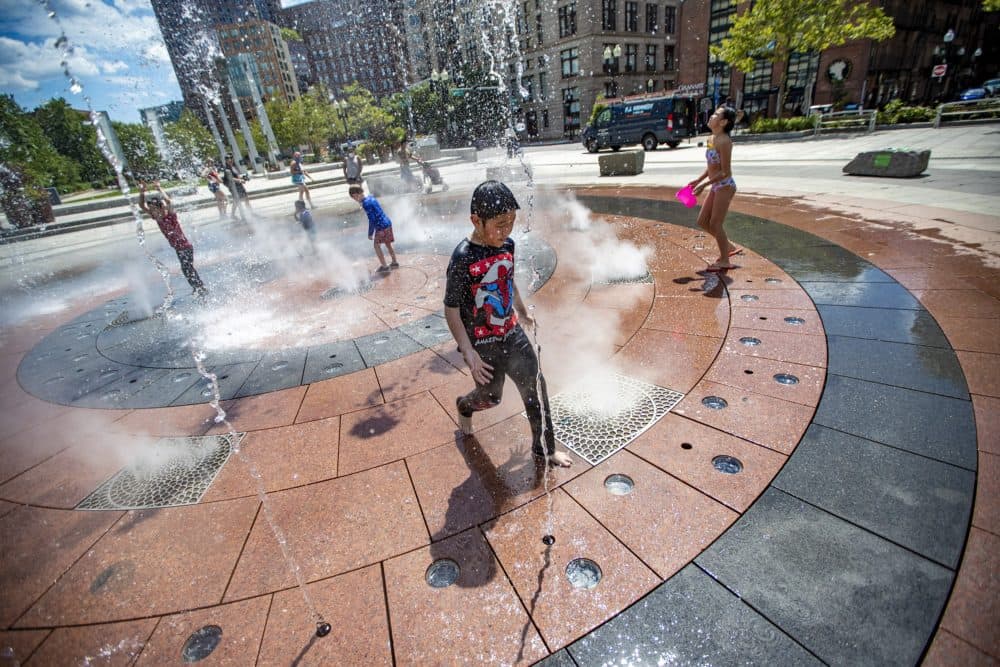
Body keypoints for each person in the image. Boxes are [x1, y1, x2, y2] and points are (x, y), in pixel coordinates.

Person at [444, 180, 573, 468]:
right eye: (500, 224)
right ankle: (465, 405)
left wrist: (523, 312)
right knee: (491, 398)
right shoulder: (462, 258)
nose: (507, 231)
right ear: (476, 221)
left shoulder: (507, 245)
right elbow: (451, 309)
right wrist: (468, 351)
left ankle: (545, 451)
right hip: (481, 342)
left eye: (512, 222)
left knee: (535, 386)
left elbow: (507, 279)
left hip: (510, 331)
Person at [687, 106, 741, 272]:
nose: (711, 116)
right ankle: (728, 246)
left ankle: (725, 260)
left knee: (716, 223)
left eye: (716, 114)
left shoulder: (725, 141)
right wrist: (699, 180)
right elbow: (711, 166)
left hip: (725, 186)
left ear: (723, 122)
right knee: (703, 221)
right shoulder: (712, 138)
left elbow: (726, 172)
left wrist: (704, 185)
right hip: (715, 185)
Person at [137, 181, 207, 297]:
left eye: (154, 209)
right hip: (178, 249)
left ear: (161, 207)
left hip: (185, 247)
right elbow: (141, 206)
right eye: (152, 210)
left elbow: (169, 201)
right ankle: (198, 287)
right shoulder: (157, 218)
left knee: (187, 268)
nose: (153, 212)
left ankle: (199, 287)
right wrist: (141, 191)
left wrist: (159, 189)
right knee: (187, 269)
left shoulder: (170, 216)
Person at [349, 185, 398, 273]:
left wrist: (370, 233)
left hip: (381, 226)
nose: (355, 200)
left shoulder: (365, 204)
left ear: (356, 194)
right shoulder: (371, 197)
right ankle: (394, 262)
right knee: (388, 244)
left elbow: (372, 219)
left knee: (376, 246)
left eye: (354, 198)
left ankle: (384, 266)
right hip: (387, 223)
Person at [222, 155, 251, 221]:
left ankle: (248, 213)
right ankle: (245, 215)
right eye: (228, 159)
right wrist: (240, 180)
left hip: (239, 185)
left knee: (243, 199)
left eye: (231, 158)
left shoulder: (233, 167)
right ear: (226, 161)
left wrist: (243, 177)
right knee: (238, 200)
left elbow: (237, 176)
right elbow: (231, 178)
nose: (230, 160)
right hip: (234, 187)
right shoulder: (226, 169)